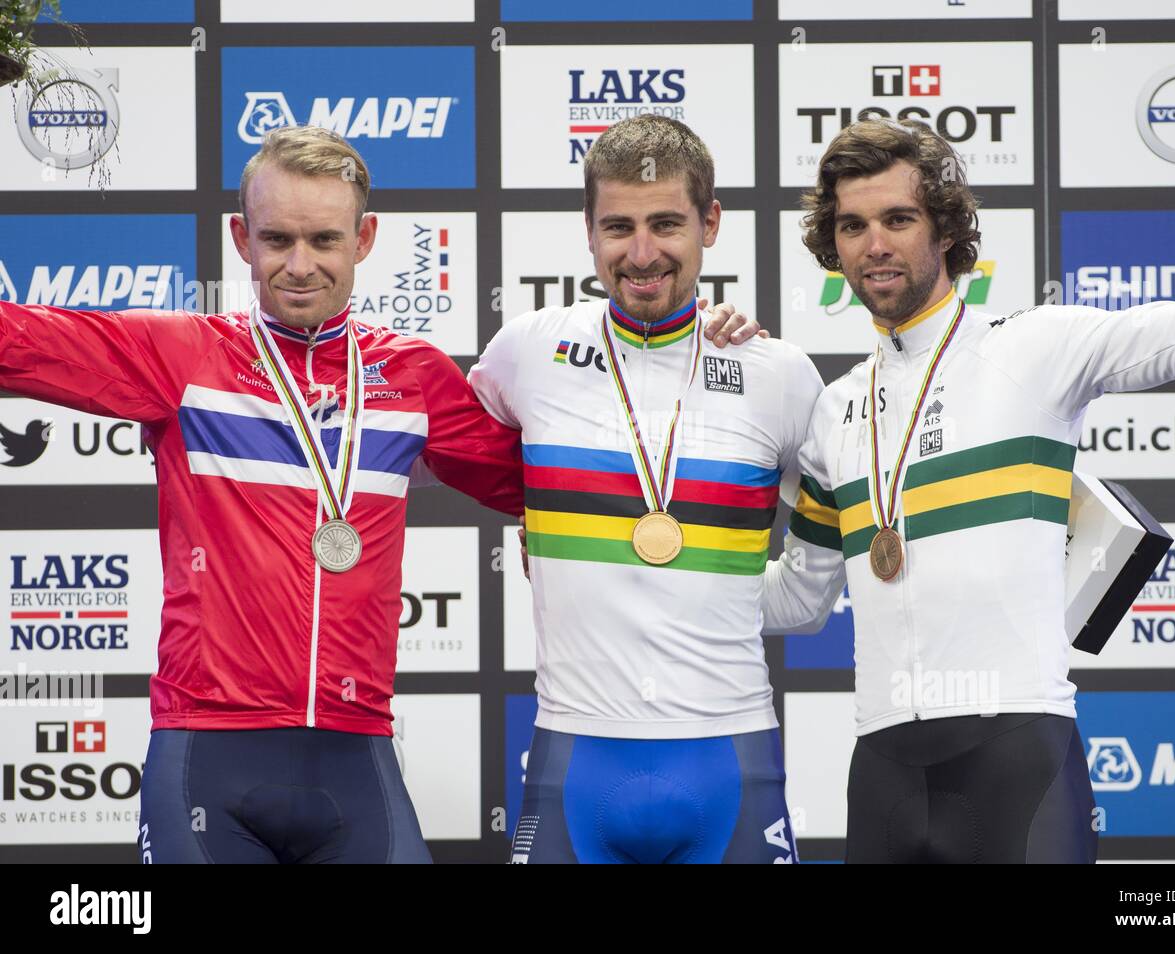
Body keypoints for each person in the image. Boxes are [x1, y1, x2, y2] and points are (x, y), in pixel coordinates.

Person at [0, 123, 760, 864]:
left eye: (325, 240)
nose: (300, 265)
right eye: (277, 240)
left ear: (363, 241)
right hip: (206, 747)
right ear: (241, 239)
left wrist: (695, 353)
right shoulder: (182, 358)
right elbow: (18, 342)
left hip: (355, 751)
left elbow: (552, 481)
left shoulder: (413, 376)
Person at [759, 110, 1175, 863]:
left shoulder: (1033, 350)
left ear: (946, 227)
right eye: (852, 226)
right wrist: (633, 576)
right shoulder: (834, 409)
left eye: (899, 218)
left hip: (1016, 761)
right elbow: (799, 599)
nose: (874, 244)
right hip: (879, 770)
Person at [474, 115, 822, 863]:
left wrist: (723, 586)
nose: (640, 254)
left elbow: (825, 547)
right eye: (617, 227)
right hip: (574, 759)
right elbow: (460, 449)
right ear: (588, 230)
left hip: (730, 759)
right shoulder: (528, 351)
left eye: (666, 223)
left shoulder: (776, 373)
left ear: (711, 223)